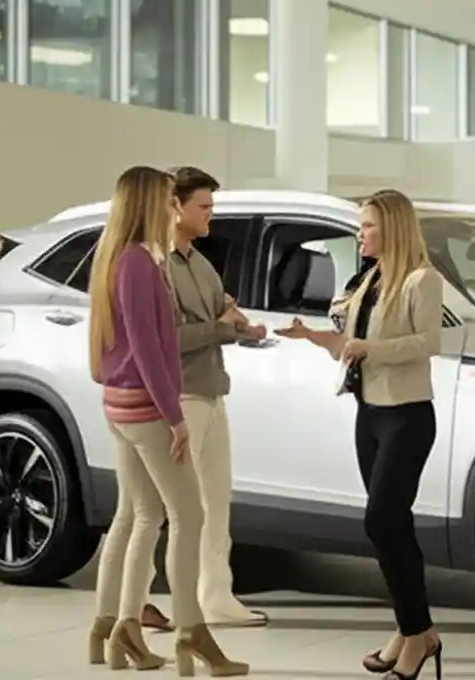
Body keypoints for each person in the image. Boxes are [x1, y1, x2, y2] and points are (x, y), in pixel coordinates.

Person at [86, 166, 248, 677]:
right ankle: (190, 631)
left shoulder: (117, 258)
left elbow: (113, 351)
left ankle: (114, 629)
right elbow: (150, 349)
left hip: (121, 403)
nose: (170, 209)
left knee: (138, 514)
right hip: (144, 407)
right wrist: (174, 416)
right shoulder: (137, 262)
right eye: (164, 200)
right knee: (188, 515)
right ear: (146, 204)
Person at [276, 189, 444, 680]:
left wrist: (372, 347)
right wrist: (315, 338)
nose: (360, 233)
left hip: (408, 416)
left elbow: (428, 341)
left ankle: (417, 637)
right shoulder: (367, 279)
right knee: (392, 529)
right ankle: (413, 630)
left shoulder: (422, 279)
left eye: (368, 225)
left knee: (382, 522)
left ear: (391, 228)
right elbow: (349, 347)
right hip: (368, 414)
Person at [137, 166, 270, 630]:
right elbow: (166, 338)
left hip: (213, 393)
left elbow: (221, 313)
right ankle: (164, 606)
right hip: (180, 397)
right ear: (176, 207)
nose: (211, 214)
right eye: (204, 206)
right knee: (178, 509)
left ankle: (217, 596)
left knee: (217, 501)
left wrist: (245, 328)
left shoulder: (200, 262)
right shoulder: (155, 266)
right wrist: (223, 329)